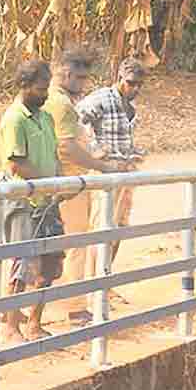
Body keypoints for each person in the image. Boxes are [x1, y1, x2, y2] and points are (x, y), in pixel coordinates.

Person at [43, 49, 127, 323]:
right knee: (75, 245)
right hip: (68, 185)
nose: (84, 85)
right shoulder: (62, 105)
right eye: (81, 78)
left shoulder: (48, 100)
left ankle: (34, 307)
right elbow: (66, 148)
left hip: (56, 182)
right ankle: (75, 306)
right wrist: (101, 165)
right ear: (67, 74)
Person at [0, 60, 62, 344]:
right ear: (24, 86)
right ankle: (11, 326)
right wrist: (49, 184)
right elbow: (16, 165)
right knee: (22, 265)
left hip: (48, 200)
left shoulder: (45, 118)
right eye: (40, 88)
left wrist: (59, 183)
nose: (45, 94)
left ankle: (35, 323)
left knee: (49, 264)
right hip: (24, 201)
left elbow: (55, 157)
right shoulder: (15, 119)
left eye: (47, 88)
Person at [75, 57, 147, 284]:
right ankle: (93, 283)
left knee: (119, 228)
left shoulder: (130, 107)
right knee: (102, 228)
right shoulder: (102, 98)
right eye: (130, 83)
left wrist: (135, 154)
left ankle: (105, 279)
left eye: (138, 84)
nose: (134, 88)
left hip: (126, 173)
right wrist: (96, 150)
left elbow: (123, 139)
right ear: (119, 78)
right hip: (105, 174)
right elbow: (78, 120)